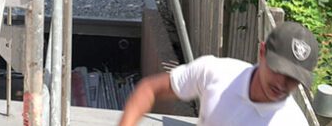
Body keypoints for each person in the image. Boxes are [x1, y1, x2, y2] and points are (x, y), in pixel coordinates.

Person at [118, 21, 319, 125]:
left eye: (294, 79)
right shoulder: (216, 73)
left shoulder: (292, 122)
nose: (283, 84)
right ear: (262, 52)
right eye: (279, 70)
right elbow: (149, 89)